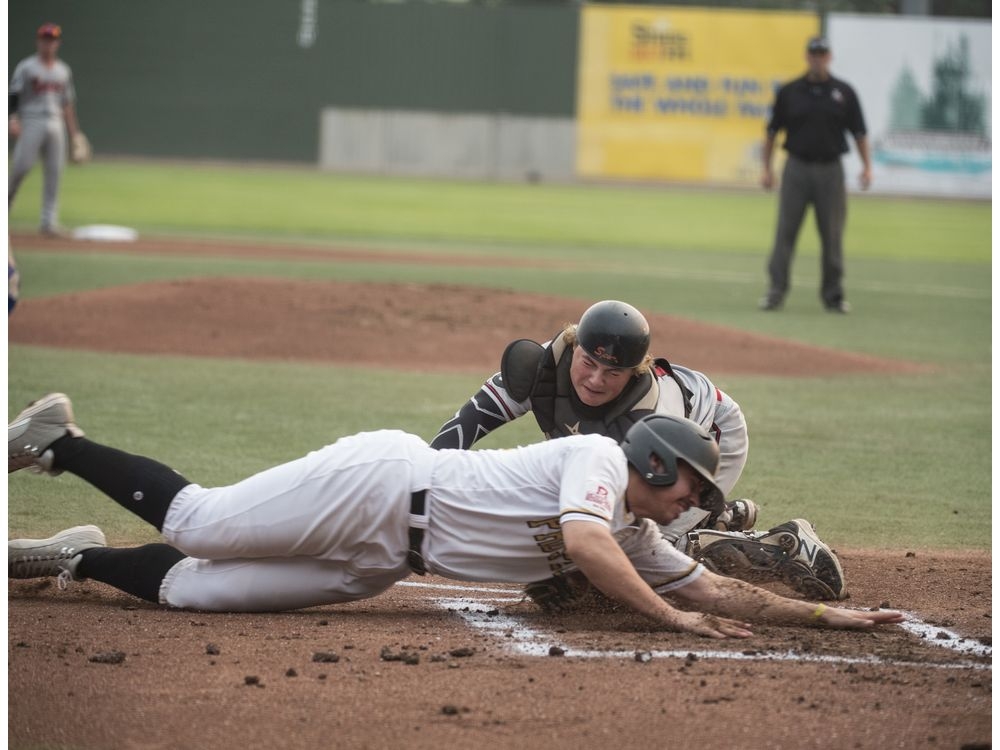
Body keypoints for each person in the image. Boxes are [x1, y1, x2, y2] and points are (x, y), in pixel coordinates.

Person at [7, 393, 902, 637]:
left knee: (199, 595)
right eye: (691, 493)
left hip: (384, 561)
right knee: (199, 524)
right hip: (378, 484)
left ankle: (72, 560)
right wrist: (667, 616)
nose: (690, 508)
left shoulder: (634, 530)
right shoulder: (597, 460)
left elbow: (712, 590)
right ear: (658, 464)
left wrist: (831, 616)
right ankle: (59, 442)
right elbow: (587, 543)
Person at [431, 299, 847, 601]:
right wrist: (425, 481)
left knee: (648, 551)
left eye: (613, 372)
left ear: (633, 372)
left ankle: (782, 548)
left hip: (709, 435)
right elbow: (465, 426)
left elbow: (621, 512)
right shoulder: (539, 367)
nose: (595, 379)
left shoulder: (648, 415)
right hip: (652, 455)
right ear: (575, 347)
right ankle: (718, 517)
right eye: (588, 363)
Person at [759, 35, 872, 314]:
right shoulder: (790, 91)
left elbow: (859, 133)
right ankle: (775, 292)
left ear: (829, 57)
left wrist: (867, 166)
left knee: (832, 236)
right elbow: (772, 132)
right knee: (785, 233)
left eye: (822, 53)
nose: (818, 58)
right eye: (813, 53)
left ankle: (833, 296)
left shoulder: (843, 92)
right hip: (796, 167)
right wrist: (766, 168)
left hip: (831, 170)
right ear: (807, 56)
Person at [8, 23, 87, 237]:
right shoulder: (27, 67)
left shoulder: (63, 70)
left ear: (57, 43)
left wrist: (75, 134)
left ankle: (48, 222)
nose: (48, 43)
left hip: (56, 123)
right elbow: (13, 94)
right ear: (38, 41)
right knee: (21, 167)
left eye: (52, 40)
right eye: (45, 39)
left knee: (54, 172)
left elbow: (67, 104)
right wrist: (11, 119)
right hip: (31, 120)